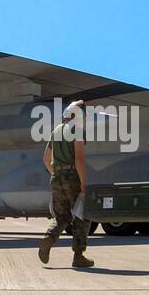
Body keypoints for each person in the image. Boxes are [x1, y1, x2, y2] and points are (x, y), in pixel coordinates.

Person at [38, 100, 94, 268]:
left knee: (62, 216)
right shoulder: (77, 130)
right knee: (82, 215)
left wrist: (56, 173)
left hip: (56, 176)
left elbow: (46, 159)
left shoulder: (56, 131)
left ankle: (49, 237)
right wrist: (84, 183)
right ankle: (78, 256)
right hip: (72, 176)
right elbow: (79, 159)